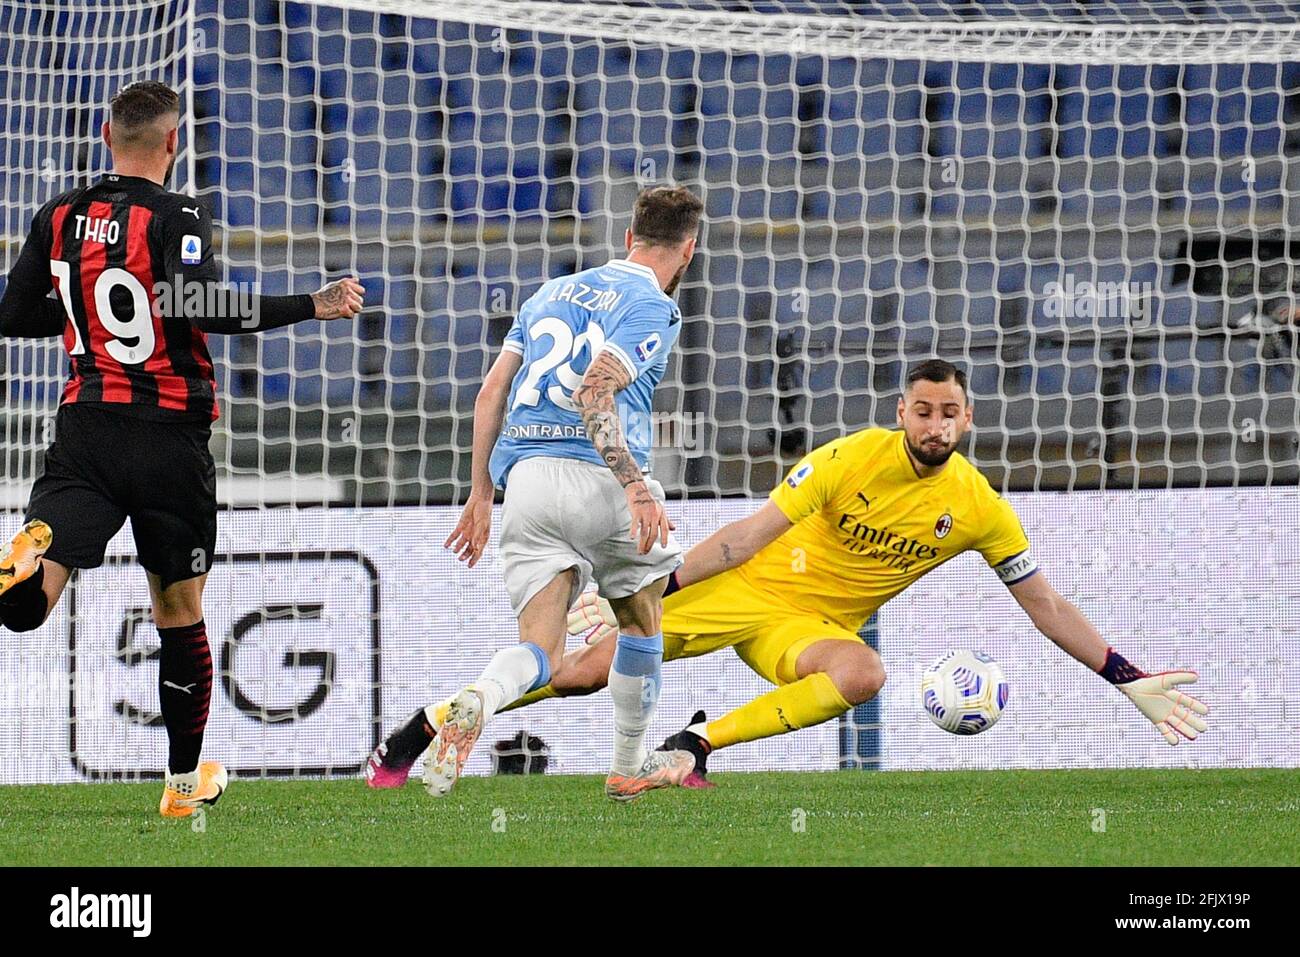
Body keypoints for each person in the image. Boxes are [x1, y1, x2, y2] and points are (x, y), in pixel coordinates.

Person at [0, 80, 364, 818]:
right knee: (178, 609)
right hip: (169, 441)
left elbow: (10, 313)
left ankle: (23, 552)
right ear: (173, 141)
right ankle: (179, 785)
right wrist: (311, 304)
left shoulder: (58, 214)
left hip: (86, 434)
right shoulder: (180, 215)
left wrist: (81, 320)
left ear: (106, 136)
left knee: (29, 605)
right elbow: (194, 303)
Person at [367, 186, 704, 802]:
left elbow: (489, 393)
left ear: (628, 238)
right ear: (689, 249)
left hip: (525, 484)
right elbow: (595, 393)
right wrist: (635, 486)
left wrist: (479, 492)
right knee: (640, 619)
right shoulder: (651, 305)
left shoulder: (551, 291)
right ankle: (627, 765)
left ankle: (481, 698)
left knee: (540, 648)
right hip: (599, 478)